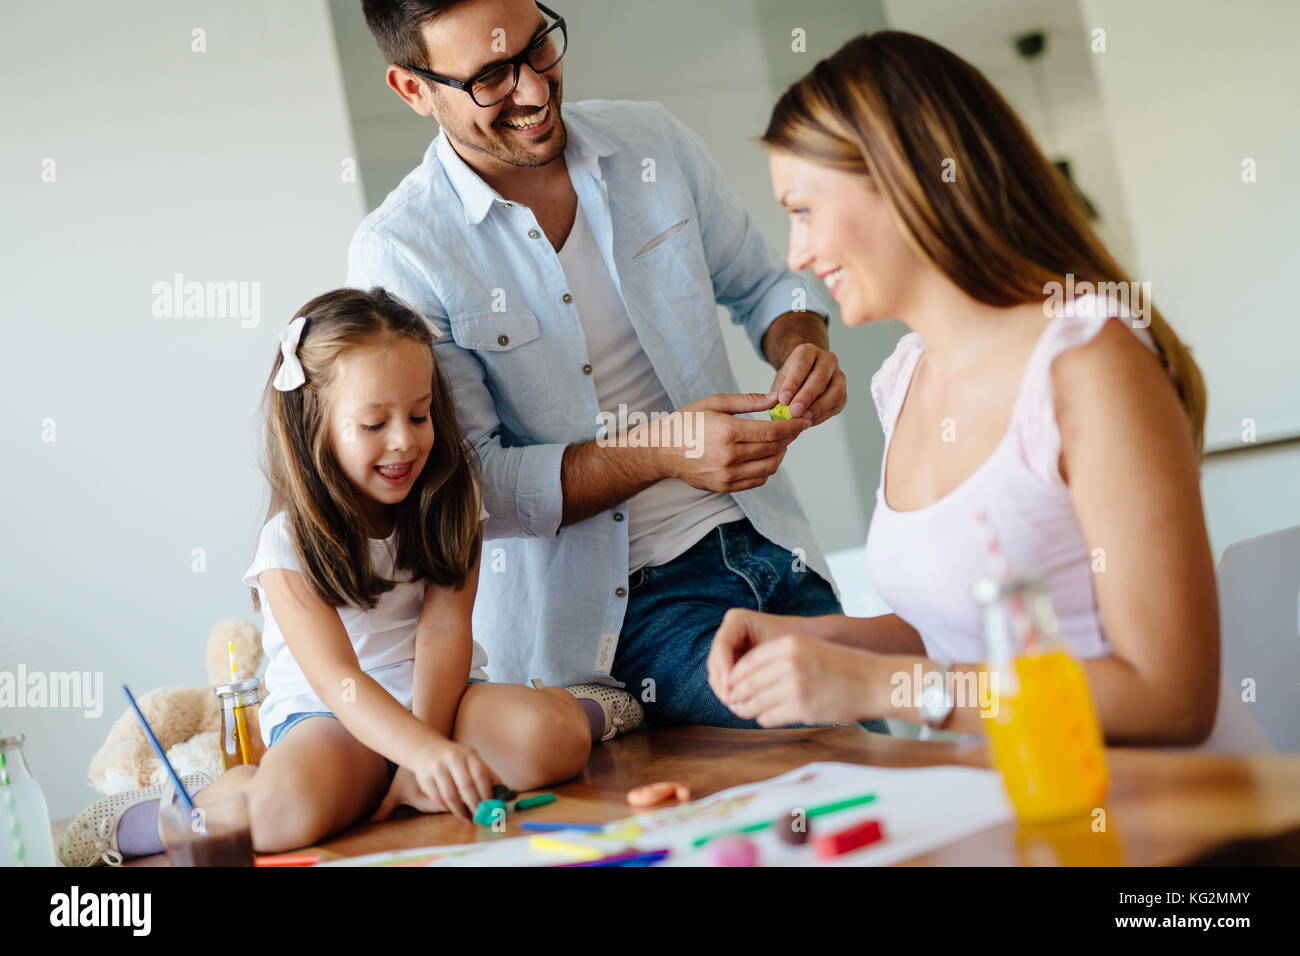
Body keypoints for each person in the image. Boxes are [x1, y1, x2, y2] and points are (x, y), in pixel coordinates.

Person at [350, 0, 887, 731]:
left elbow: (767, 287)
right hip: (629, 609)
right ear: (413, 89)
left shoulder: (651, 142)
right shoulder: (402, 252)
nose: (535, 91)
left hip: (774, 544)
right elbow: (469, 490)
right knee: (823, 751)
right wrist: (661, 452)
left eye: (539, 47)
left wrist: (802, 346)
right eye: (491, 78)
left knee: (885, 767)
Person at [709, 31, 1219, 745]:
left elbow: (1170, 697)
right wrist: (822, 643)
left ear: (901, 179)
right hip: (1009, 802)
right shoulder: (907, 379)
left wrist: (873, 685)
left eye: (803, 211)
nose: (797, 253)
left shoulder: (1085, 361)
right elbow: (960, 630)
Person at [59, 288, 600, 864]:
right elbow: (337, 680)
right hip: (333, 716)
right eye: (374, 423)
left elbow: (444, 632)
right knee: (275, 819)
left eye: (419, 415)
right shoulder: (285, 546)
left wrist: (428, 749)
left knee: (557, 739)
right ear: (314, 422)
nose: (405, 440)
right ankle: (154, 808)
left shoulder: (450, 497)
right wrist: (420, 755)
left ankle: (590, 706)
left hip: (441, 698)